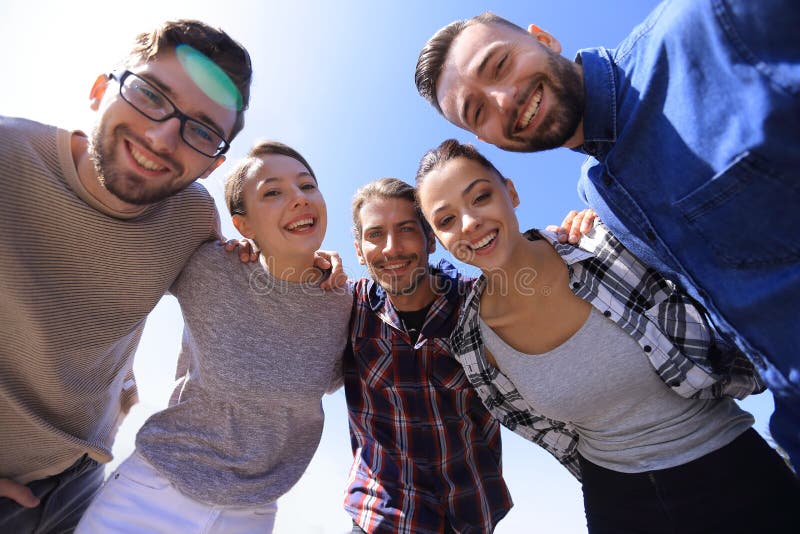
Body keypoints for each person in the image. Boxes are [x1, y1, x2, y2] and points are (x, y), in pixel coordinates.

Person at [414, 0, 800, 470]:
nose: (503, 99)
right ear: (487, 139)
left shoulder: (710, 23)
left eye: (500, 64)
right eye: (476, 111)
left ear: (544, 38)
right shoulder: (603, 199)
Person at [414, 139, 799, 533]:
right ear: (437, 240)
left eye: (480, 196)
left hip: (736, 472)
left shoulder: (608, 246)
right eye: (445, 221)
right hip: (617, 504)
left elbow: (722, 309)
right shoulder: (473, 345)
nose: (469, 223)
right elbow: (545, 431)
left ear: (510, 191)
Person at [0, 19, 252, 532]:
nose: (162, 137)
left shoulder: (192, 219)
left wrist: (304, 262)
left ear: (212, 164)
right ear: (100, 91)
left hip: (83, 480)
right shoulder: (7, 156)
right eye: (150, 95)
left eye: (202, 131)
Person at [75, 141, 352, 533]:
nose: (298, 199)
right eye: (272, 192)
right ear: (244, 225)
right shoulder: (211, 265)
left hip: (252, 513)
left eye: (307, 186)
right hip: (152, 492)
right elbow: (117, 236)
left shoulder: (346, 303)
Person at [344, 177, 512, 533]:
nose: (391, 248)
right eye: (375, 234)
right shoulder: (346, 308)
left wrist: (569, 233)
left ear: (430, 239)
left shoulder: (480, 304)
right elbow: (283, 290)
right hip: (381, 513)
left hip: (471, 511)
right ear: (359, 250)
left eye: (406, 229)